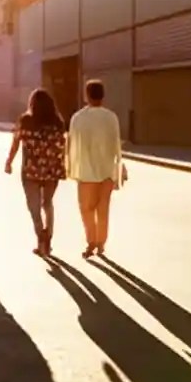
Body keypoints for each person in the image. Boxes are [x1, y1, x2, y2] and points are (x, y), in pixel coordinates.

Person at [66, 79, 125, 258]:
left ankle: (91, 240)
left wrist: (70, 167)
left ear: (86, 95)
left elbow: (71, 145)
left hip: (85, 171)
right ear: (103, 95)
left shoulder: (78, 118)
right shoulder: (111, 117)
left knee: (86, 209)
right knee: (103, 208)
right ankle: (101, 243)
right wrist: (119, 167)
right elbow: (116, 144)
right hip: (107, 169)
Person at [5, 89, 66, 257]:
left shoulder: (25, 121)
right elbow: (62, 147)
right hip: (51, 170)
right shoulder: (57, 123)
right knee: (47, 203)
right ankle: (49, 238)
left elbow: (15, 143)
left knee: (34, 207)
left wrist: (9, 162)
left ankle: (41, 236)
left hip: (30, 170)